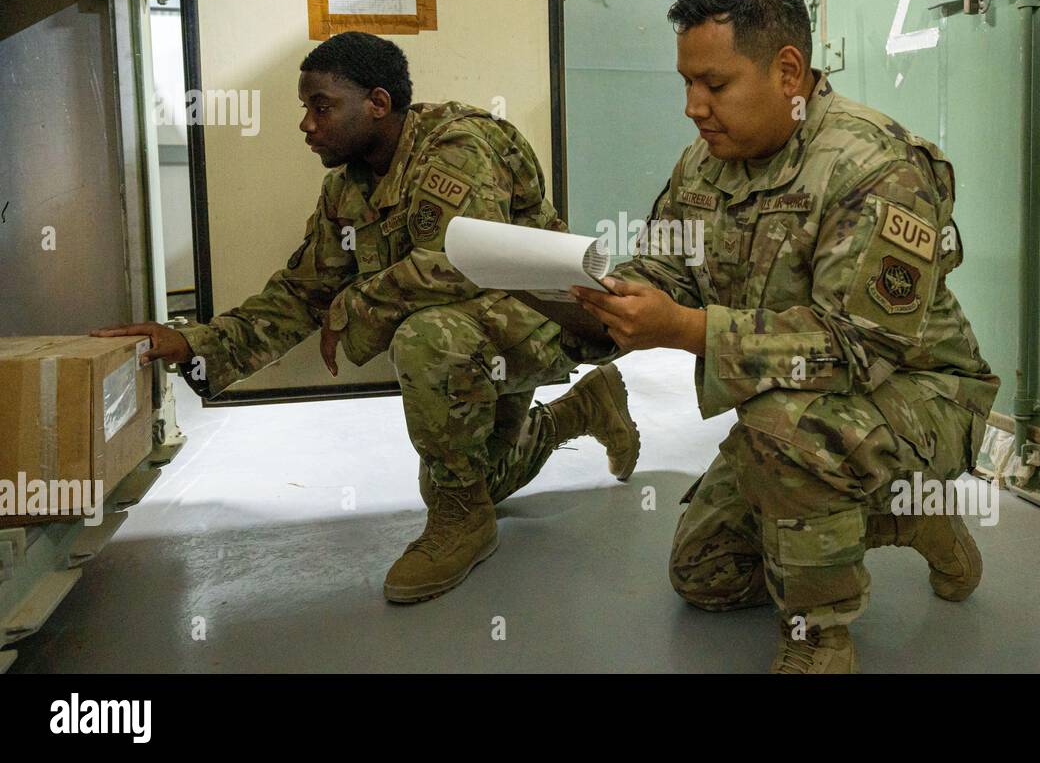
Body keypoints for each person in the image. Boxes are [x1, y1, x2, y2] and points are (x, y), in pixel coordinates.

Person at [95, 31, 640, 605]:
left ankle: (461, 522)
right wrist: (196, 344)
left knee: (424, 340)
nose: (307, 124)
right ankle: (579, 410)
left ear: (377, 103)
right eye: (306, 108)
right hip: (477, 334)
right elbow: (304, 292)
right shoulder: (346, 189)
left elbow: (465, 260)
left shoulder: (458, 145)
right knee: (484, 475)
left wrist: (354, 305)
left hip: (545, 314)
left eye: (321, 106)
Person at [569, 0, 1000, 673]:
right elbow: (668, 263)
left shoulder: (874, 166)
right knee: (704, 575)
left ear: (788, 72)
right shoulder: (706, 163)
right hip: (799, 399)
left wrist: (685, 328)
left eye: (714, 84)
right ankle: (904, 516)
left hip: (923, 394)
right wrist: (609, 292)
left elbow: (858, 348)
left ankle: (819, 639)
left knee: (782, 425)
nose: (692, 107)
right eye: (686, 84)